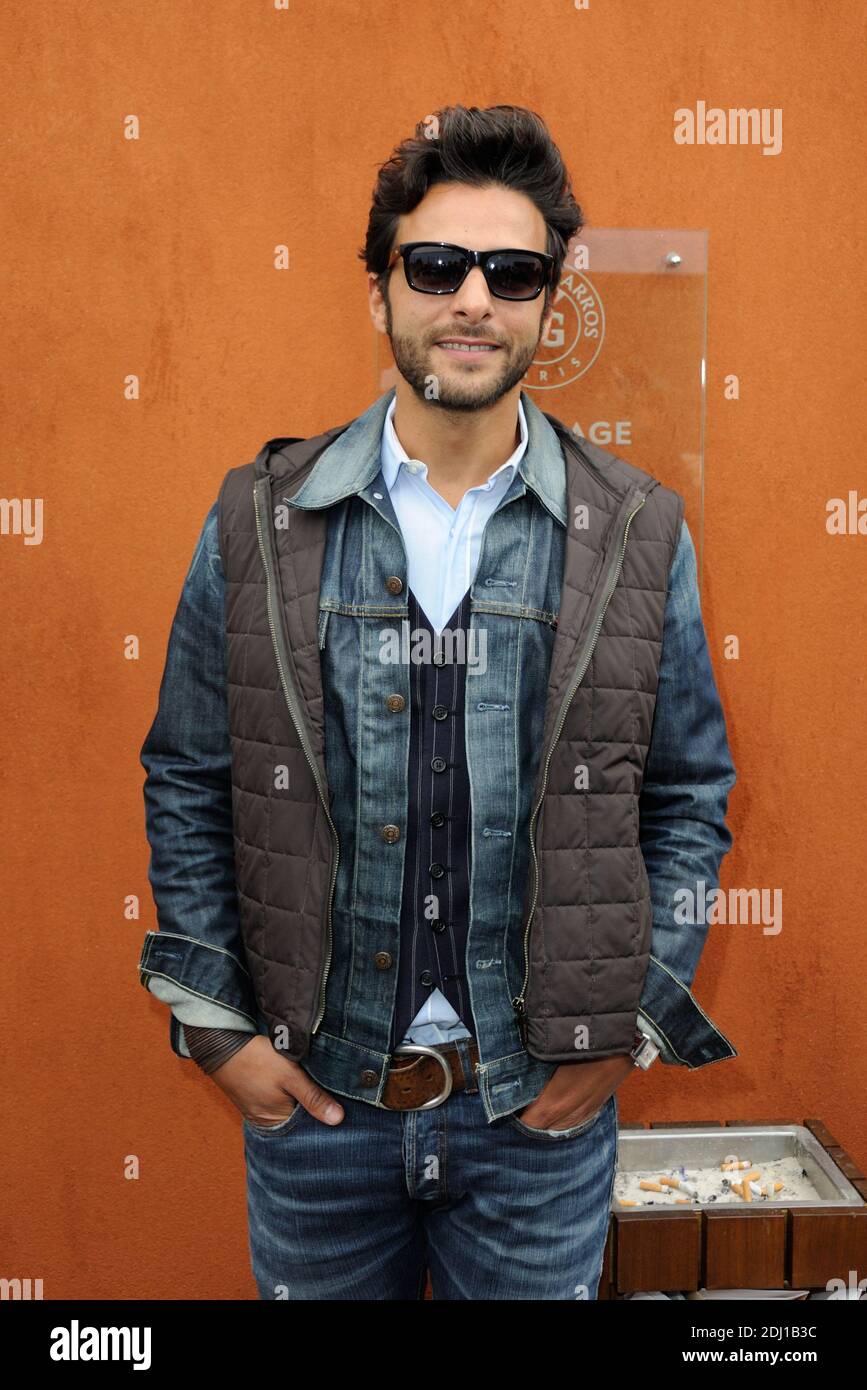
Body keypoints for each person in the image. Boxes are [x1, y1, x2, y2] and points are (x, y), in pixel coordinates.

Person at [137, 104, 738, 1300]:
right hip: (318, 1113)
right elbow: (191, 776)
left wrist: (630, 1027)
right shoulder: (261, 517)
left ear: (547, 305)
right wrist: (219, 1030)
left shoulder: (632, 531)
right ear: (382, 293)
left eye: (512, 271)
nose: (474, 296)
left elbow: (687, 794)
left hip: (537, 1127)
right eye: (436, 263)